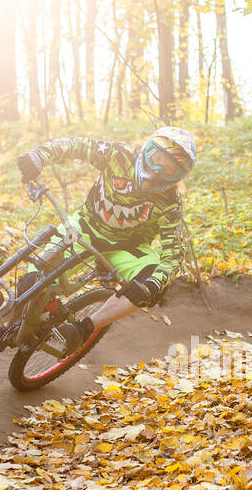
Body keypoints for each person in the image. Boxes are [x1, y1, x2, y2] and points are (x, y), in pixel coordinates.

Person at [11, 126, 197, 355]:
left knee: (151, 287)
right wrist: (40, 155)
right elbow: (77, 146)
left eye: (169, 168)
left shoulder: (170, 202)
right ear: (146, 149)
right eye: (156, 157)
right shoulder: (118, 155)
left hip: (127, 249)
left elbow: (174, 253)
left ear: (178, 178)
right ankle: (11, 322)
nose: (158, 169)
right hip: (84, 228)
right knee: (31, 278)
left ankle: (84, 327)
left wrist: (151, 285)